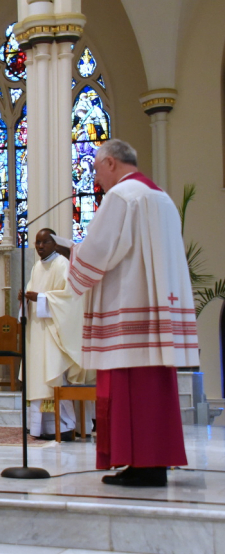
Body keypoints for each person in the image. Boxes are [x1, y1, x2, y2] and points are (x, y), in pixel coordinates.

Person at [63, 139, 198, 487]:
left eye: (96, 170)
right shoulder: (160, 197)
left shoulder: (122, 197)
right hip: (155, 308)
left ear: (110, 163)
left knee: (131, 388)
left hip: (127, 306)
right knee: (154, 389)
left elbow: (100, 248)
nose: (97, 180)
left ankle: (142, 465)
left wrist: (73, 256)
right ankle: (152, 462)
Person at [18, 228, 87, 441]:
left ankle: (65, 427)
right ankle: (42, 428)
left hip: (54, 333)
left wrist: (41, 298)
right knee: (39, 380)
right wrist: (26, 299)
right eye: (37, 242)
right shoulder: (37, 267)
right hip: (38, 332)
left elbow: (70, 299)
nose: (39, 246)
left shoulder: (62, 264)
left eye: (44, 242)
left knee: (55, 378)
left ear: (54, 243)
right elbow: (33, 292)